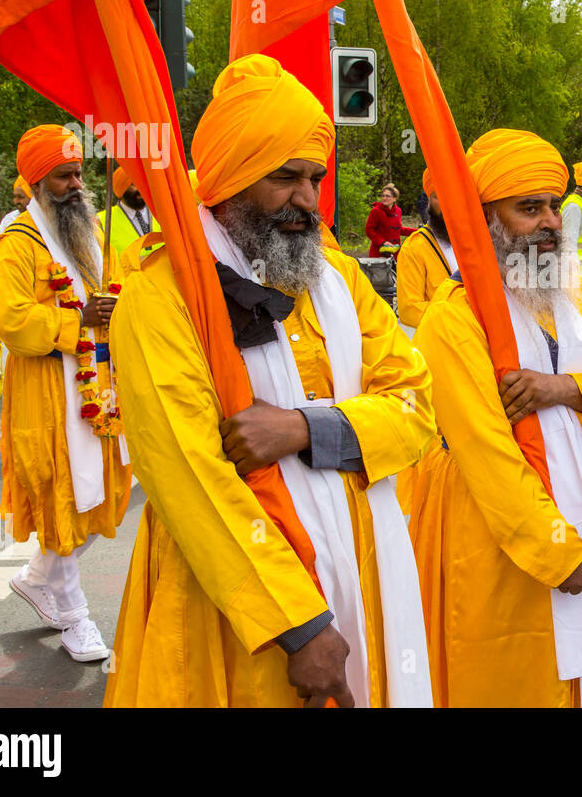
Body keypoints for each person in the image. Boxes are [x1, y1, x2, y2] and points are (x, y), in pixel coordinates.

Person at [104, 55, 435, 708]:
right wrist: (299, 624)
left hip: (360, 568)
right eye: (285, 178)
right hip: (237, 611)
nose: (307, 199)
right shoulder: (160, 298)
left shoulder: (336, 281)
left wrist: (303, 429)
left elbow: (417, 406)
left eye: (314, 177)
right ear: (229, 181)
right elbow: (190, 479)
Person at [409, 128, 582, 707]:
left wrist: (563, 388)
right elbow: (485, 453)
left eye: (553, 204)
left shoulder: (579, 300)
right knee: (514, 681)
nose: (551, 222)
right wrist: (556, 550)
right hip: (497, 541)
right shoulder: (453, 319)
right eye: (529, 208)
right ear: (485, 218)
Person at [0, 126, 132, 664]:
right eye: (63, 176)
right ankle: (74, 619)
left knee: (103, 494)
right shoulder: (17, 243)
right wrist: (78, 321)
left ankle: (35, 578)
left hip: (98, 385)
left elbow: (113, 292)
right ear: (36, 181)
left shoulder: (87, 232)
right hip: (46, 390)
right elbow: (11, 320)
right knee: (62, 497)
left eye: (77, 174)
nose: (75, 184)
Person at [396, 168, 457, 330]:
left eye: (453, 195)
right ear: (428, 201)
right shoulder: (414, 248)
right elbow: (409, 310)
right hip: (441, 342)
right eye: (438, 197)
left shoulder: (480, 241)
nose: (447, 203)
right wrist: (458, 319)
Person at [97, 167, 154, 258]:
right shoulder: (102, 221)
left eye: (143, 182)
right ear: (121, 188)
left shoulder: (162, 213)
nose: (141, 189)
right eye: (134, 184)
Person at [365, 182, 415, 257]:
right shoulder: (376, 211)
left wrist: (418, 231)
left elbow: (399, 230)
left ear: (394, 198)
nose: (384, 198)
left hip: (395, 252)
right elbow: (369, 230)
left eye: (388, 196)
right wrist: (383, 242)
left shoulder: (398, 211)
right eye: (383, 196)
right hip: (379, 252)